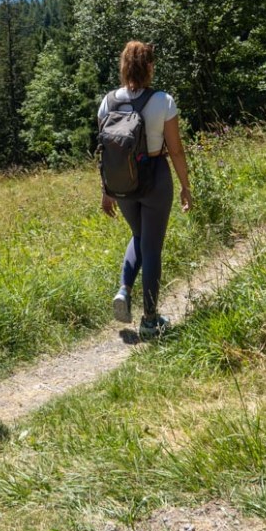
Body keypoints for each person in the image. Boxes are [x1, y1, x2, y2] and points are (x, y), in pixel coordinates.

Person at [99, 40, 192, 338]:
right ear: (149, 67)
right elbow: (175, 150)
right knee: (152, 247)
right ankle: (150, 320)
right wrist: (185, 186)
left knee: (139, 236)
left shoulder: (108, 101)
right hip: (155, 178)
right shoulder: (163, 101)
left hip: (122, 182)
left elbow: (106, 152)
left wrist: (107, 190)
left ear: (124, 66)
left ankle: (124, 290)